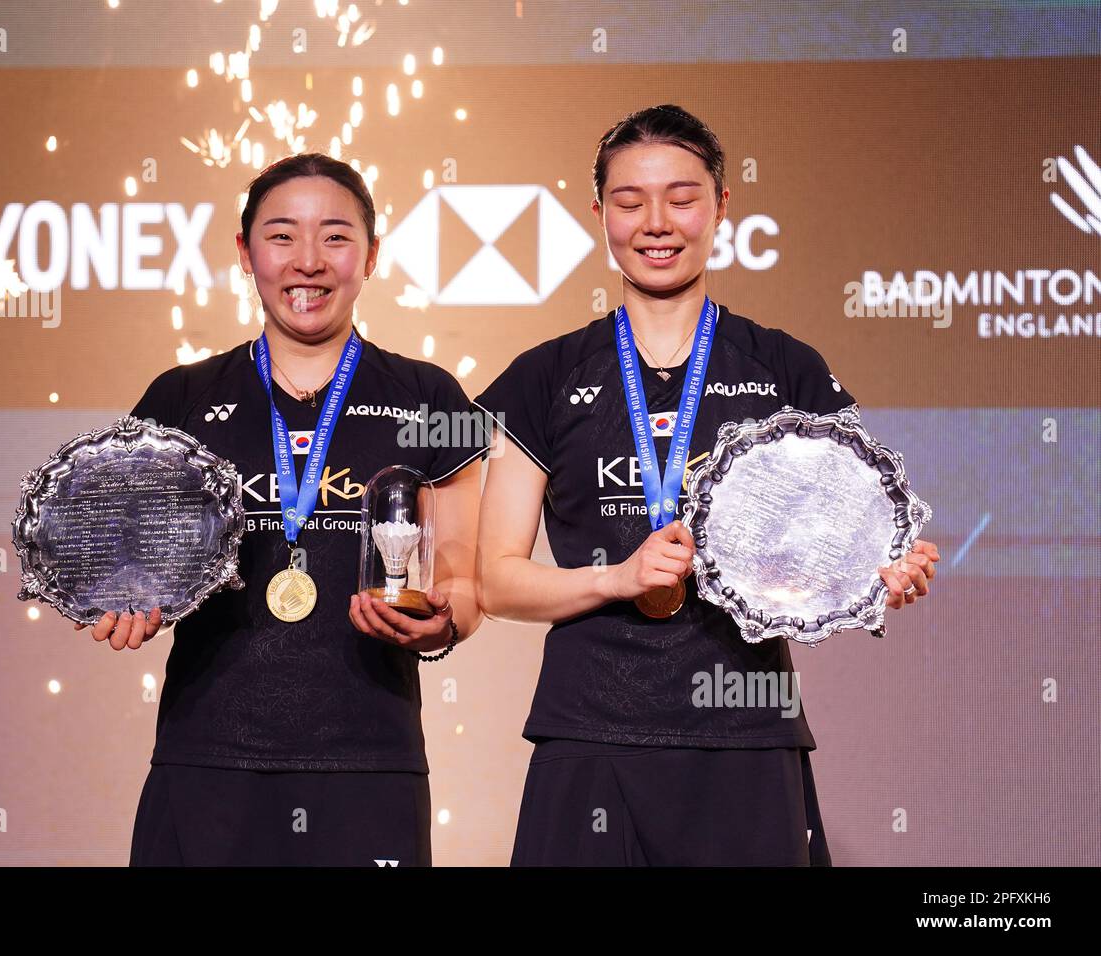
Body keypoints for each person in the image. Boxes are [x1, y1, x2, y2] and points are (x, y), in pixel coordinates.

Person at [473, 105, 940, 866]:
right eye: (629, 201)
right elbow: (495, 581)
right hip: (591, 732)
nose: (656, 222)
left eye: (683, 197)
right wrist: (618, 578)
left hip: (746, 729)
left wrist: (878, 576)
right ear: (598, 214)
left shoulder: (783, 367)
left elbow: (856, 531)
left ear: (723, 206)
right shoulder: (545, 377)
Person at [75, 153, 489, 866]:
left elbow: (466, 586)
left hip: (369, 761)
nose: (308, 263)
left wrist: (435, 624)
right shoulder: (180, 400)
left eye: (334, 236)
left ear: (371, 255)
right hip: (207, 757)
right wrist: (128, 593)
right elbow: (127, 549)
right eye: (281, 237)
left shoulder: (430, 397)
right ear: (245, 253)